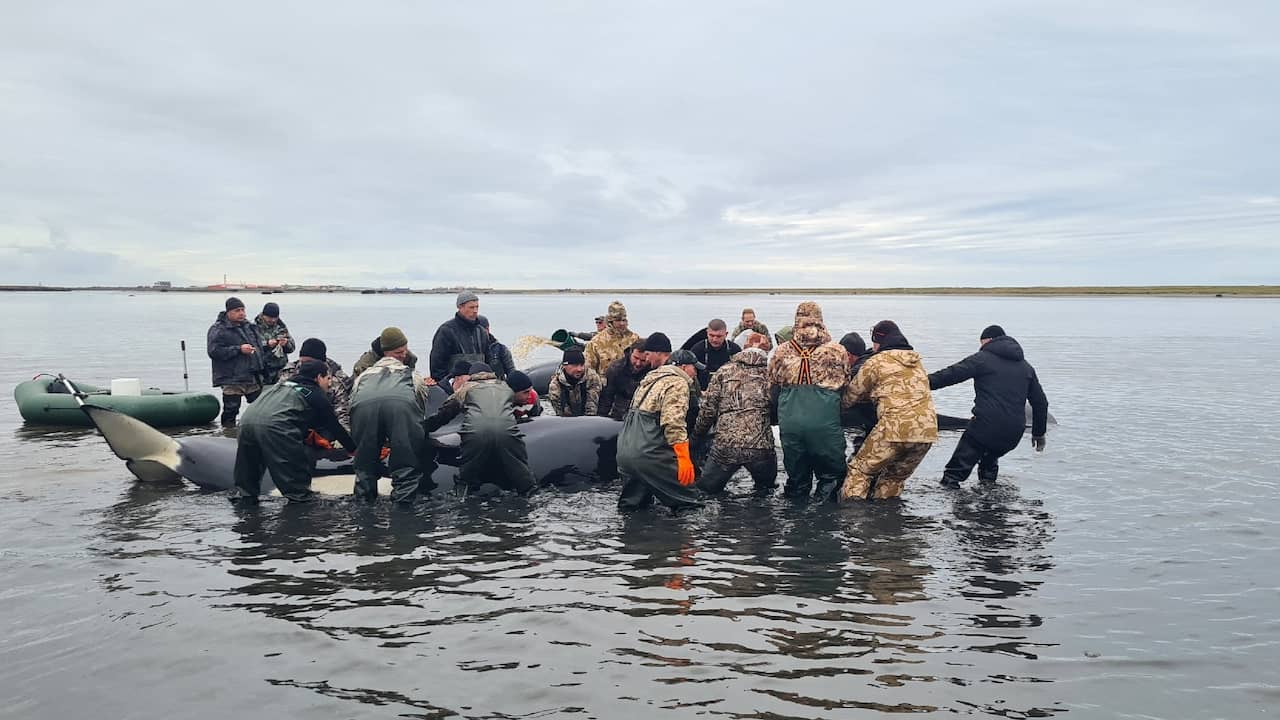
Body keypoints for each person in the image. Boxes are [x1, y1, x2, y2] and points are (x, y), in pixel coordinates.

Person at [928, 325, 1049, 488]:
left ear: (988, 340)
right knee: (989, 466)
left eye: (982, 342)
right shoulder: (1026, 367)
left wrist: (916, 383)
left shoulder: (982, 358)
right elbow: (1041, 403)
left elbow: (950, 375)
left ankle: (955, 504)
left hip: (984, 428)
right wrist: (1039, 433)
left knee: (953, 476)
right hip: (1013, 434)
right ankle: (990, 505)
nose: (981, 346)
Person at [231, 359, 356, 504]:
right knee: (295, 478)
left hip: (246, 422)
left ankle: (245, 508)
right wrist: (353, 450)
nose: (329, 384)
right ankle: (299, 511)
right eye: (328, 378)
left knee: (248, 473)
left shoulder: (281, 385)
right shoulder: (314, 393)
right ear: (318, 377)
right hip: (276, 428)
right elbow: (334, 426)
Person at [840, 320, 938, 501]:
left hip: (894, 428)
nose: (873, 347)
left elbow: (850, 397)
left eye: (874, 342)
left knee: (859, 471)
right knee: (893, 478)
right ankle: (888, 520)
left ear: (879, 341)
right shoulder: (916, 362)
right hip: (927, 432)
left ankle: (851, 517)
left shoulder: (876, 362)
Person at [767, 302, 850, 500]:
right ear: (820, 320)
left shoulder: (781, 351)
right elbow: (847, 384)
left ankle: (795, 521)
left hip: (791, 422)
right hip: (824, 424)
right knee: (831, 477)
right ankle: (825, 520)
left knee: (797, 478)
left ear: (796, 320)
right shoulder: (837, 351)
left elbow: (771, 386)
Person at [617, 335, 704, 512]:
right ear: (684, 367)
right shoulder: (677, 382)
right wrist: (683, 458)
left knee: (633, 508)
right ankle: (684, 539)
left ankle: (630, 539)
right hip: (649, 456)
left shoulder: (649, 379)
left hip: (625, 453)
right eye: (694, 368)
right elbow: (673, 422)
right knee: (690, 505)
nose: (695, 373)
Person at [349, 327, 435, 503]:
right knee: (406, 463)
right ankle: (403, 511)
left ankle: (363, 508)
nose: (404, 354)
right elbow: (420, 402)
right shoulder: (412, 375)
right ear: (389, 352)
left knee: (364, 465)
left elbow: (353, 400)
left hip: (364, 409)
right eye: (400, 352)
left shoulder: (364, 375)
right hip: (401, 408)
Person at [425, 362, 535, 495]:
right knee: (520, 467)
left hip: (476, 433)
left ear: (471, 376)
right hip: (506, 431)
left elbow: (445, 413)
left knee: (468, 470)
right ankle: (530, 494)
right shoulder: (505, 387)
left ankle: (462, 495)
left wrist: (425, 428)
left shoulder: (466, 388)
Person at [693, 333, 777, 496]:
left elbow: (708, 411)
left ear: (744, 348)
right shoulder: (770, 375)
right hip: (760, 448)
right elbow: (777, 409)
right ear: (766, 352)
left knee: (706, 492)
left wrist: (696, 438)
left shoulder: (724, 371)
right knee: (766, 492)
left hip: (725, 447)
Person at [207, 296, 267, 427]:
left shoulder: (250, 327)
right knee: (231, 411)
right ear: (228, 312)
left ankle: (256, 431)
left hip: (251, 376)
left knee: (261, 408)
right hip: (231, 378)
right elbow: (214, 351)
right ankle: (228, 435)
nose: (241, 313)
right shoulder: (218, 329)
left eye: (243, 310)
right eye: (237, 310)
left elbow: (259, 348)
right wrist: (238, 349)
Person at [278, 338, 352, 430]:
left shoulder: (334, 380)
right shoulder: (290, 373)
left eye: (309, 363)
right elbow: (278, 402)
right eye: (303, 362)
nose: (305, 366)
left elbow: (342, 415)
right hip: (293, 424)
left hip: (324, 426)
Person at [429, 291, 496, 385]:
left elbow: (488, 361)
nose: (475, 310)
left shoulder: (481, 332)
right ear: (460, 307)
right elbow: (437, 364)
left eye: (477, 307)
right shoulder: (446, 331)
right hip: (455, 386)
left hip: (480, 385)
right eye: (471, 307)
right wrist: (444, 386)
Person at [583, 300, 642, 376]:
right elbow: (588, 371)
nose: (622, 323)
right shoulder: (596, 343)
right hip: (606, 385)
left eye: (624, 320)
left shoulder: (634, 339)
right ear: (610, 321)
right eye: (618, 320)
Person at [598, 340, 649, 421]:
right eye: (635, 358)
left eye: (643, 360)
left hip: (644, 415)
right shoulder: (616, 369)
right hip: (619, 415)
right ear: (630, 353)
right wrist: (601, 419)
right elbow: (606, 398)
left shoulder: (654, 371)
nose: (638, 363)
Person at [547, 347, 603, 417]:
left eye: (582, 365)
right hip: (569, 421)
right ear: (565, 366)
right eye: (575, 365)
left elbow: (592, 408)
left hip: (593, 418)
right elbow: (562, 415)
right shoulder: (555, 387)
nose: (579, 369)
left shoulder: (592, 378)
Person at [690, 318, 742, 390]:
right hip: (704, 391)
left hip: (728, 391)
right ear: (707, 333)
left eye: (719, 336)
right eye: (711, 335)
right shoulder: (697, 350)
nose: (715, 339)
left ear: (726, 334)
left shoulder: (735, 349)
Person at [352, 330, 420, 380]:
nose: (403, 355)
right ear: (385, 352)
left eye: (406, 350)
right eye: (398, 353)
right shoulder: (363, 366)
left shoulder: (409, 358)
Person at [254, 302, 295, 385]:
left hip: (281, 370)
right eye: (270, 317)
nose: (273, 320)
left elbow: (292, 347)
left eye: (275, 318)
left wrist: (286, 344)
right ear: (263, 315)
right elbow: (252, 347)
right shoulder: (254, 327)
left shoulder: (281, 327)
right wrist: (267, 345)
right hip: (263, 371)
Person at [477, 315, 515, 381]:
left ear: (487, 329)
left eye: (478, 331)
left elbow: (511, 372)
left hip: (498, 388)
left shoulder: (501, 349)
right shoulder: (466, 351)